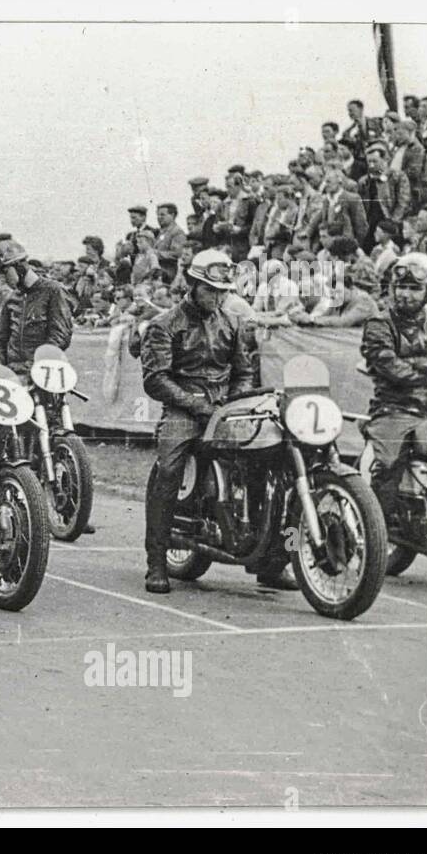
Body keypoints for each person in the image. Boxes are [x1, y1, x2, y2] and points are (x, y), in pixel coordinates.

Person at [139, 249, 291, 595]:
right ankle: (157, 563)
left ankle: (270, 562)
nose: (218, 297)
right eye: (211, 289)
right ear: (192, 285)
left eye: (223, 291)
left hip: (225, 408)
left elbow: (244, 371)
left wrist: (234, 401)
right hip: (183, 409)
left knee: (270, 459)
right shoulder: (164, 325)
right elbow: (156, 379)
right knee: (169, 469)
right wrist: (195, 405)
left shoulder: (232, 322)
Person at [359, 253, 427, 511]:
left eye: (415, 288)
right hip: (395, 408)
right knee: (388, 464)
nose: (406, 294)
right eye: (402, 287)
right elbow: (391, 368)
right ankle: (375, 527)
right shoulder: (379, 323)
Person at [0, 239, 74, 373]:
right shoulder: (11, 298)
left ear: (18, 266)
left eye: (4, 272)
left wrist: (31, 366)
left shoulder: (54, 291)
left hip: (44, 373)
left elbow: (60, 337)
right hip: (13, 375)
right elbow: (0, 339)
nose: (2, 278)